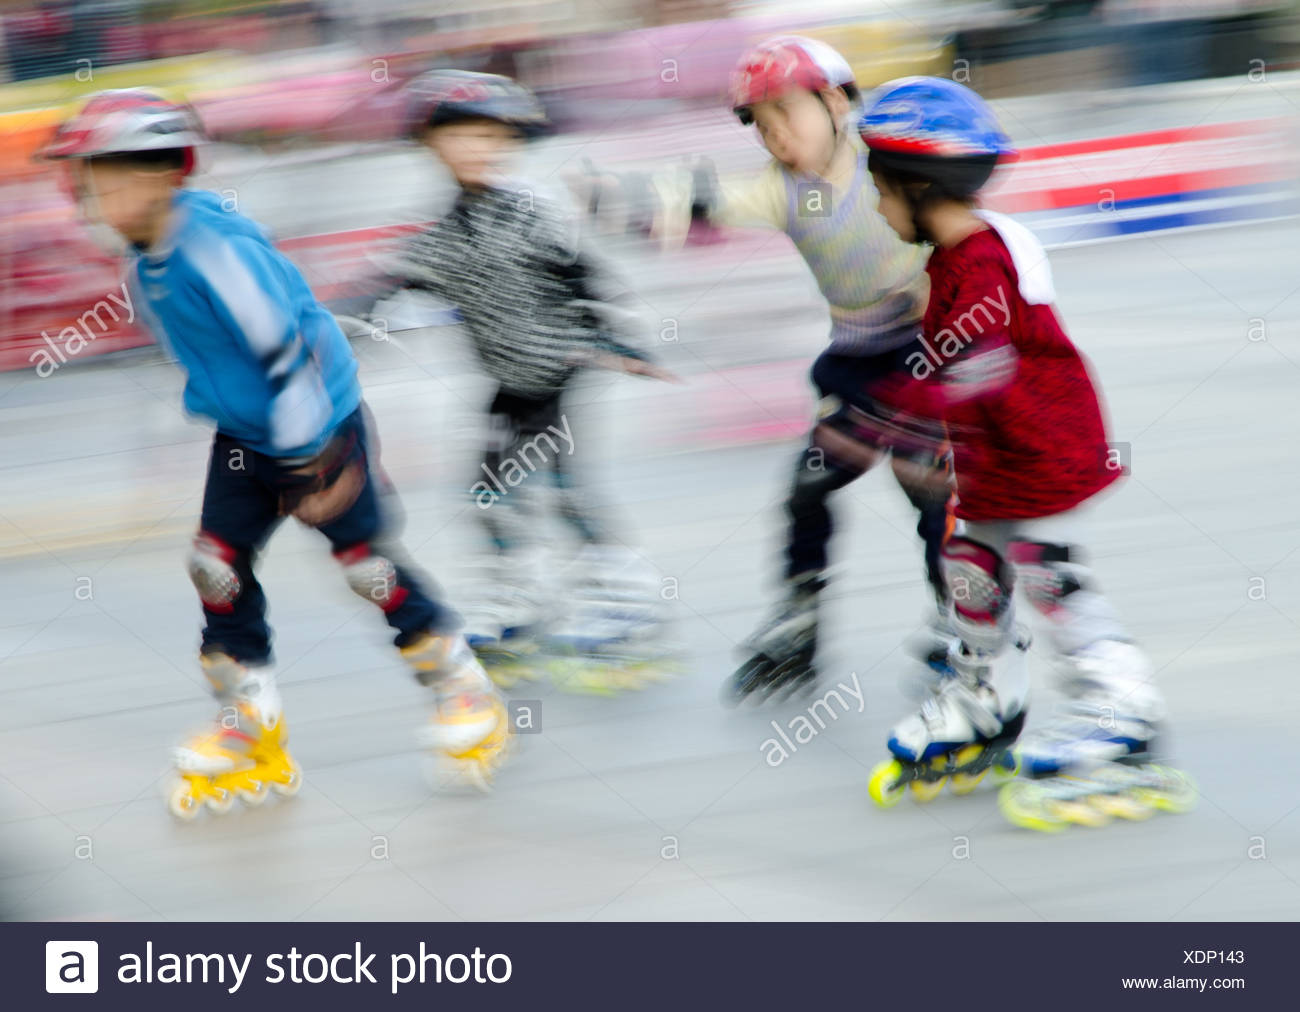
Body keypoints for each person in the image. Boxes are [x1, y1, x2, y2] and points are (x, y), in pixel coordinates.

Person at [40, 89, 512, 816]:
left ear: (163, 172)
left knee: (366, 567)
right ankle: (249, 725)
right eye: (84, 181)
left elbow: (283, 352)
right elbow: (210, 366)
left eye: (101, 177)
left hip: (319, 420)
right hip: (247, 437)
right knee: (215, 566)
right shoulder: (144, 265)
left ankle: (460, 685)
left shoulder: (212, 246)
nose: (89, 197)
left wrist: (309, 459)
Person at [857, 77, 1191, 829]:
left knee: (1049, 575)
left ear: (918, 184)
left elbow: (980, 367)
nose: (876, 208)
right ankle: (985, 701)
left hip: (1040, 445)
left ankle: (1124, 712)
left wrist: (898, 415)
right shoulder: (962, 253)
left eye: (879, 190)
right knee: (970, 565)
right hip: (999, 453)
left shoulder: (976, 263)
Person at [579, 36, 955, 702]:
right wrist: (617, 200)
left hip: (928, 357)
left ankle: (960, 619)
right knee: (809, 490)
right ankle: (800, 614)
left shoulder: (888, 166)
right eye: (764, 125)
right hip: (856, 366)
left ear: (837, 102)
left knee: (932, 501)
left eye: (790, 113)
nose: (779, 135)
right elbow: (700, 198)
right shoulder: (784, 193)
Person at [367, 70, 678, 693]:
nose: (480, 150)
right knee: (484, 492)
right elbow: (383, 288)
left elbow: (585, 274)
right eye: (463, 137)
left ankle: (627, 601)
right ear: (432, 146)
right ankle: (517, 597)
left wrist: (621, 337)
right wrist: (334, 328)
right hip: (507, 383)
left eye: (493, 137)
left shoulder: (532, 212)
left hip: (560, 371)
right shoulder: (441, 236)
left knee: (563, 489)